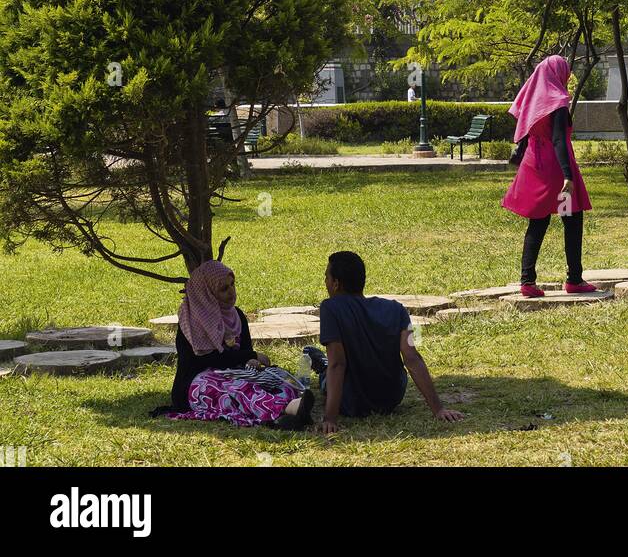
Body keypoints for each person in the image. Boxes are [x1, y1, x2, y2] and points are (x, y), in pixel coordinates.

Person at [304, 250, 464, 436]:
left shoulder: (330, 308)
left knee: (323, 369)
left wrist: (330, 418)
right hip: (391, 398)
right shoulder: (397, 309)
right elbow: (412, 358)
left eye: (326, 278)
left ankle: (321, 365)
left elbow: (338, 364)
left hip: (351, 402)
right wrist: (438, 409)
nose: (325, 283)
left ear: (336, 283)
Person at [160, 260, 313, 428]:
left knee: (278, 377)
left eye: (232, 285)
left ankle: (286, 413)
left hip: (234, 373)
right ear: (207, 293)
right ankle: (286, 409)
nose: (231, 292)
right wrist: (250, 356)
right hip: (198, 382)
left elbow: (245, 350)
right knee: (238, 389)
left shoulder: (236, 315)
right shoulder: (192, 321)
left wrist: (250, 360)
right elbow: (208, 360)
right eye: (224, 289)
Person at [502, 53, 599, 299]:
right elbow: (558, 140)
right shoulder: (556, 101)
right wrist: (568, 176)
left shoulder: (533, 99)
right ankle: (574, 279)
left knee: (539, 221)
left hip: (535, 166)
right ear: (559, 74)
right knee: (571, 218)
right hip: (556, 173)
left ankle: (527, 281)